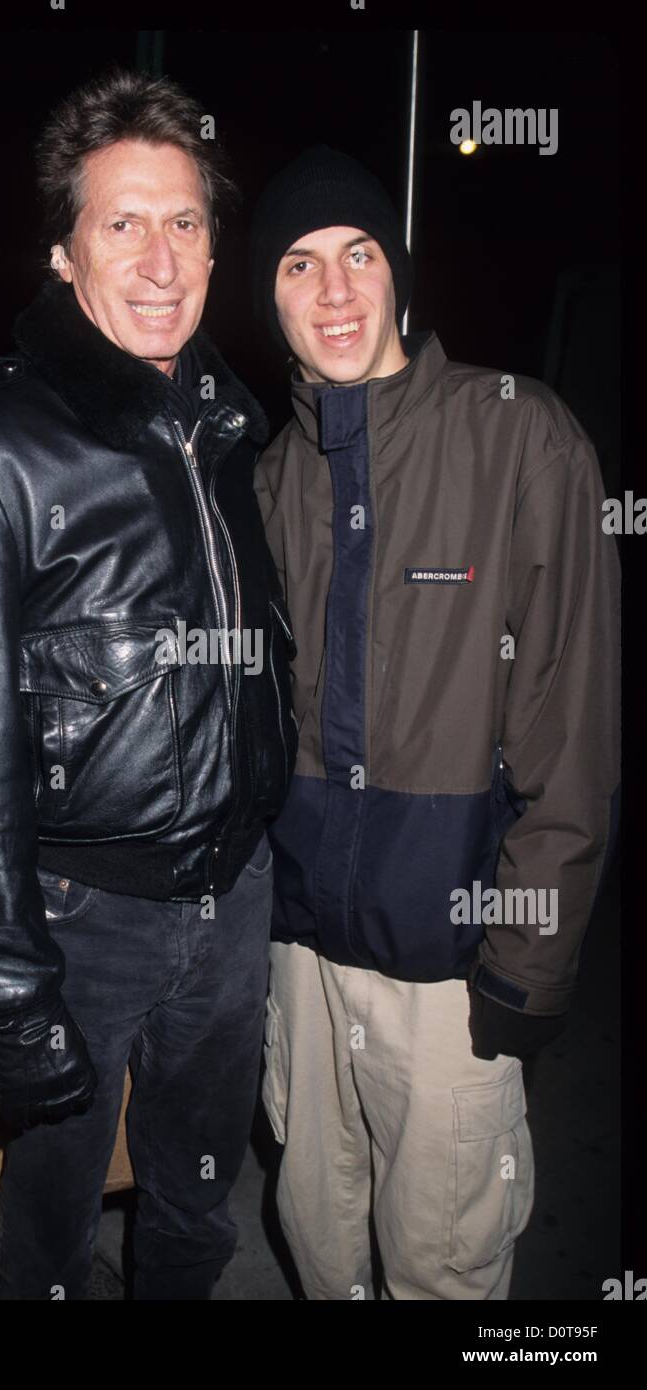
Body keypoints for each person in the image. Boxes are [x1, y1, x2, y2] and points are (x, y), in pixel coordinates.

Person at [0, 67, 296, 1301]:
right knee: (48, 1234)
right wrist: (11, 996)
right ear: (64, 253)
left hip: (235, 901)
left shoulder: (230, 427)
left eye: (186, 223)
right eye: (122, 224)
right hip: (79, 920)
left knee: (197, 1202)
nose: (161, 260)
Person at [249, 145, 620, 1300]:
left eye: (360, 254)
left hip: (453, 976)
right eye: (300, 266)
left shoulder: (522, 438)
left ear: (398, 273)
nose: (336, 291)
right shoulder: (267, 482)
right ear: (269, 300)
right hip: (300, 961)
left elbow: (574, 731)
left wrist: (526, 967)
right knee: (320, 1245)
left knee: (443, 1271)